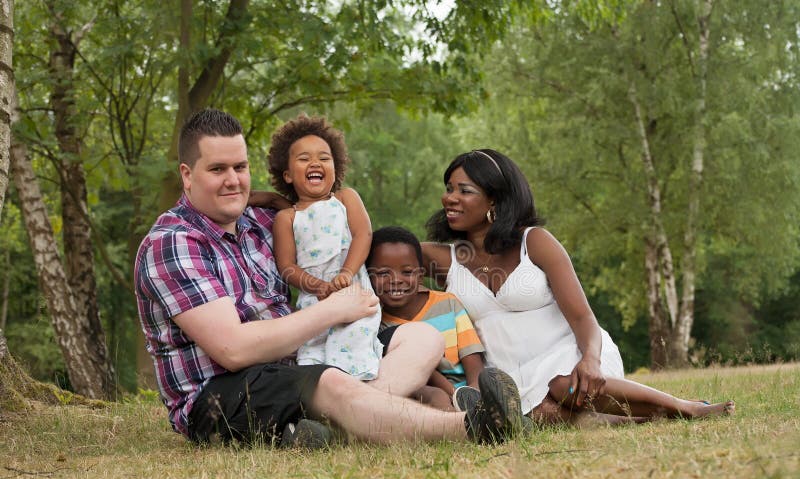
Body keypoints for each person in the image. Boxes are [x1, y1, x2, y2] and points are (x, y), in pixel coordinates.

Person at [134, 109, 523, 447]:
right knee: (333, 382)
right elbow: (232, 350)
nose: (233, 180)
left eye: (240, 167)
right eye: (217, 169)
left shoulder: (259, 222)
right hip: (221, 393)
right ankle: (475, 427)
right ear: (187, 175)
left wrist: (266, 197)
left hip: (298, 361)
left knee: (424, 338)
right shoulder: (173, 243)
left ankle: (344, 422)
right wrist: (335, 309)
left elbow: (307, 207)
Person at [422, 149, 735, 426]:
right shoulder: (444, 259)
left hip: (568, 354)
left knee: (563, 387)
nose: (450, 198)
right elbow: (390, 251)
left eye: (464, 190)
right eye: (449, 189)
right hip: (509, 375)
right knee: (543, 415)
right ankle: (634, 419)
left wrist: (590, 360)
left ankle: (686, 407)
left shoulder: (534, 242)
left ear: (495, 198)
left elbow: (583, 317)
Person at [267, 115, 382, 380]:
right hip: (314, 300)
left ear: (336, 168)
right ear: (287, 175)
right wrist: (316, 286)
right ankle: (321, 398)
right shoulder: (287, 218)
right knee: (312, 356)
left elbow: (363, 234)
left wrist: (346, 272)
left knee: (353, 348)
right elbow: (287, 266)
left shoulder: (345, 198)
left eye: (324, 158)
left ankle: (360, 390)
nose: (315, 163)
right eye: (304, 158)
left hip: (351, 291)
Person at [366, 226, 485, 412]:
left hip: (465, 389)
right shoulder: (378, 326)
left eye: (407, 272)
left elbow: (472, 357)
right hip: (422, 391)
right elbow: (426, 374)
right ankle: (459, 421)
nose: (396, 280)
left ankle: (486, 411)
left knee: (486, 387)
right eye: (383, 273)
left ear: (420, 275)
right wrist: (453, 394)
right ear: (368, 278)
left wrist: (474, 391)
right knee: (434, 395)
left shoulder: (447, 304)